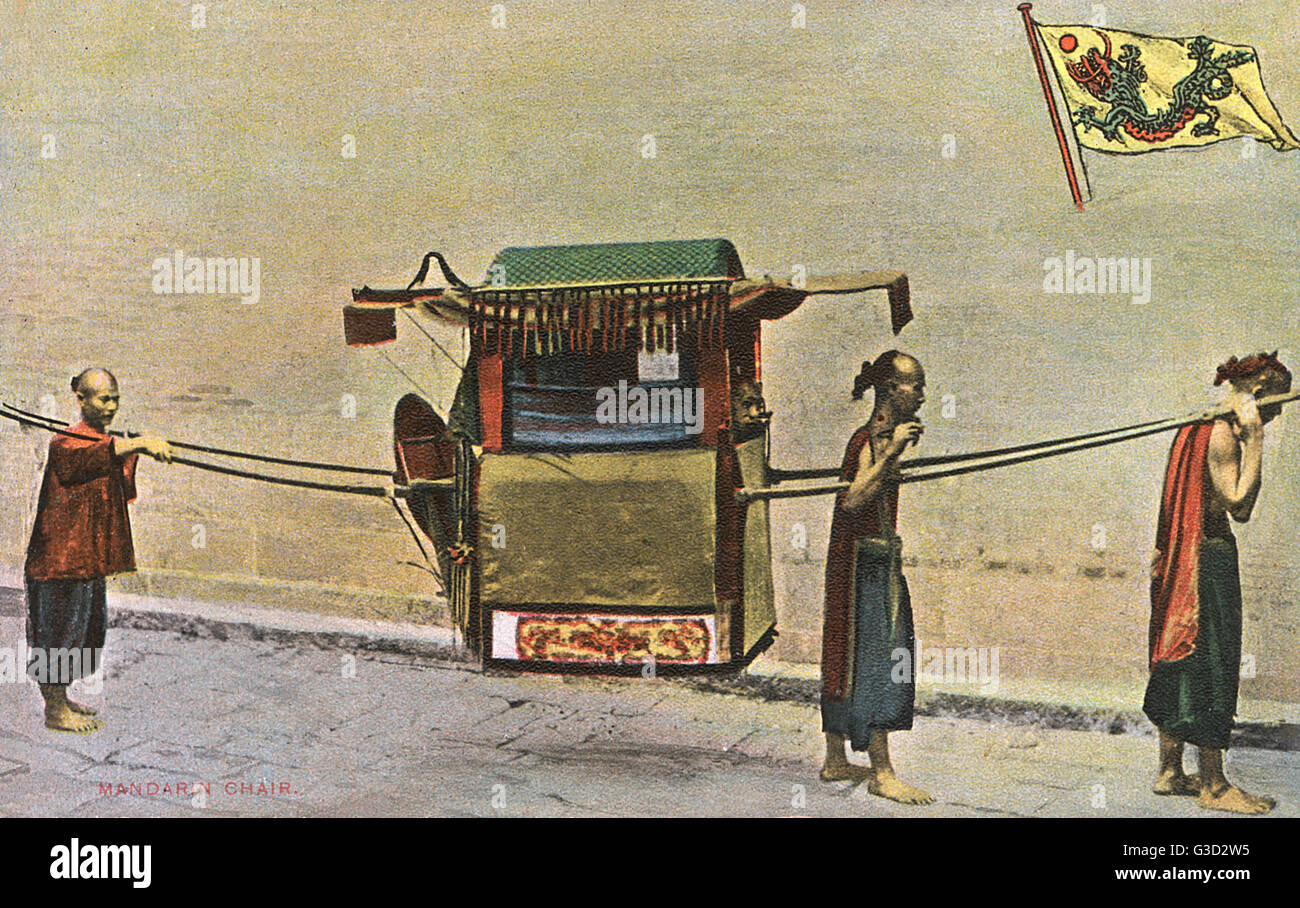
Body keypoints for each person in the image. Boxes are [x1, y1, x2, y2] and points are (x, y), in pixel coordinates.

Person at [1143, 351, 1291, 814]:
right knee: (1211, 661)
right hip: (1207, 559)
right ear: (1260, 390)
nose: (1279, 412)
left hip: (1181, 557)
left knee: (1179, 657)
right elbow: (1239, 506)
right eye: (1275, 403)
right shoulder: (1224, 434)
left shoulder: (1195, 426)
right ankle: (1214, 784)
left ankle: (1169, 770)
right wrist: (1256, 439)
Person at [24, 368, 172, 733]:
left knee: (84, 632)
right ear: (81, 400)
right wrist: (139, 444)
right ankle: (54, 709)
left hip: (87, 560)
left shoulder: (102, 443)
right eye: (104, 399)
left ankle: (61, 697)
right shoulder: (66, 443)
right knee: (58, 632)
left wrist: (138, 446)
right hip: (59, 562)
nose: (111, 407)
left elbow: (115, 470)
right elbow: (89, 456)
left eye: (115, 400)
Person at [819, 350, 932, 804]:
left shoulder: (878, 437)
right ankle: (882, 772)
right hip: (865, 565)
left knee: (847, 653)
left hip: (863, 559)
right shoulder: (868, 439)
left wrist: (895, 448)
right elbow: (853, 499)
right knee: (884, 657)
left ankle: (834, 759)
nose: (921, 395)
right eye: (915, 385)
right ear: (890, 388)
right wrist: (894, 451)